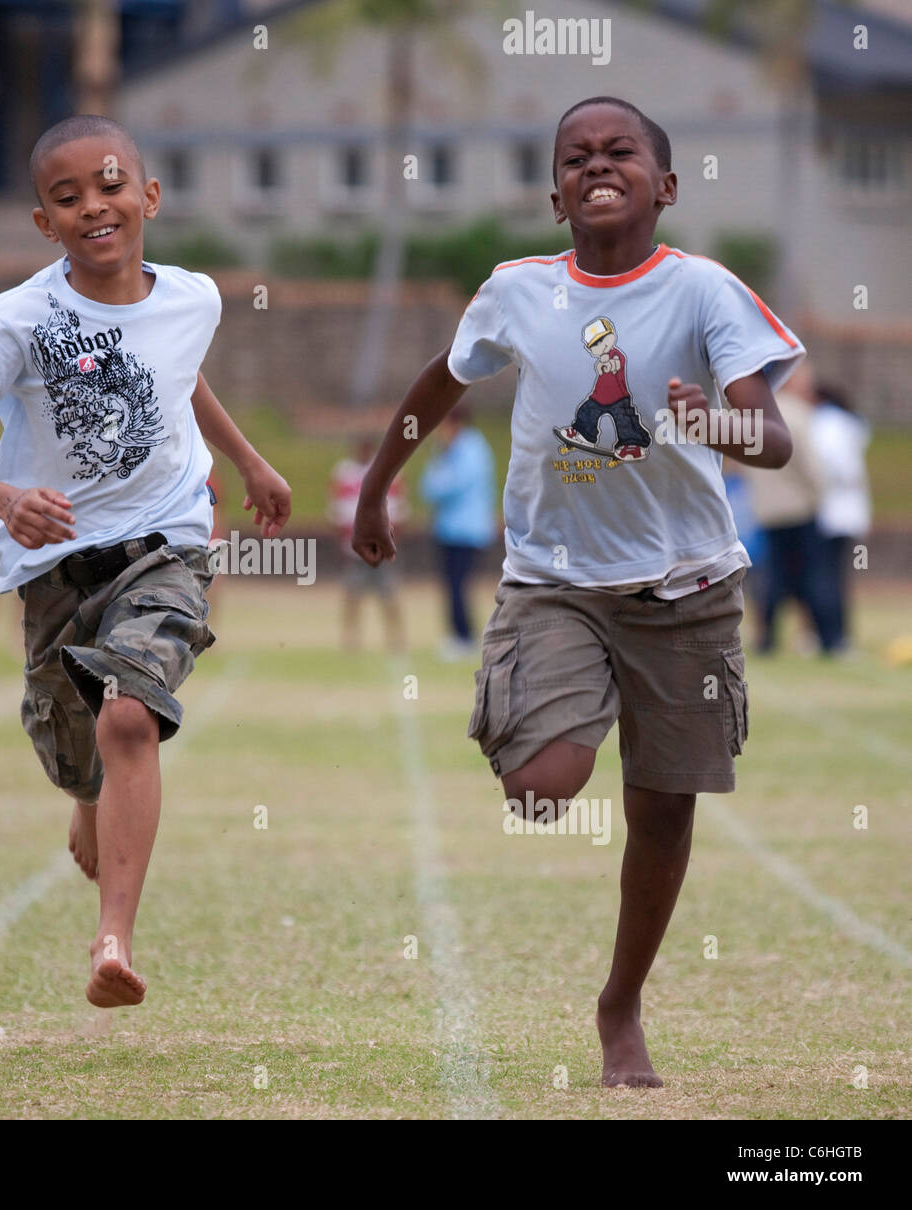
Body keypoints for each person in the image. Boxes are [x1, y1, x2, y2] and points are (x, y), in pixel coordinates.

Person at [354, 95, 803, 1088]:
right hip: (552, 581)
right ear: (556, 193)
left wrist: (713, 425)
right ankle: (541, 704)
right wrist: (379, 490)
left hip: (687, 588)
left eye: (620, 153)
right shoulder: (516, 291)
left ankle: (620, 1004)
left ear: (665, 185)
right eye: (575, 158)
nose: (597, 166)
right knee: (543, 788)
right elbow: (438, 386)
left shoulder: (705, 294)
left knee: (663, 812)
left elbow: (770, 439)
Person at [0, 115, 290, 1009]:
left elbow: (179, 374)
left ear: (150, 197)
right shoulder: (17, 321)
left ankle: (113, 937)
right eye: (68, 197)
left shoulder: (194, 297)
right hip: (56, 567)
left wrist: (247, 461)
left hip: (169, 543)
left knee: (131, 718)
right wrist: (8, 502)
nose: (96, 207)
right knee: (74, 750)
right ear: (45, 222)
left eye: (112, 185)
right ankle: (84, 792)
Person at [739, 362, 835, 654]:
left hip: (767, 511)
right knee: (814, 575)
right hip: (800, 509)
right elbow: (810, 465)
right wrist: (821, 493)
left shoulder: (754, 416)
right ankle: (829, 638)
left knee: (773, 577)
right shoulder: (797, 413)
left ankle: (766, 639)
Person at [419, 408, 496, 659]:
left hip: (467, 529)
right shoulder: (446, 451)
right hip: (448, 529)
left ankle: (465, 637)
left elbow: (448, 487)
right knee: (452, 584)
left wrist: (441, 465)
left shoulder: (473, 449)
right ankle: (457, 635)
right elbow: (427, 488)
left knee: (458, 584)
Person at [328, 436, 407, 651]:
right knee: (352, 595)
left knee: (389, 595)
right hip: (354, 548)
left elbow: (399, 510)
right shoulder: (343, 473)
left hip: (382, 547)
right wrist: (342, 541)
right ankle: (350, 640)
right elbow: (337, 510)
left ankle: (396, 639)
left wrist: (392, 543)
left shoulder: (387, 471)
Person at [812, 381, 870, 652]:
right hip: (848, 514)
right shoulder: (849, 424)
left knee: (826, 578)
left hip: (830, 513)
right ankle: (836, 635)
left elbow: (834, 465)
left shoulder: (827, 424)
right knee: (838, 577)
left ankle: (832, 637)